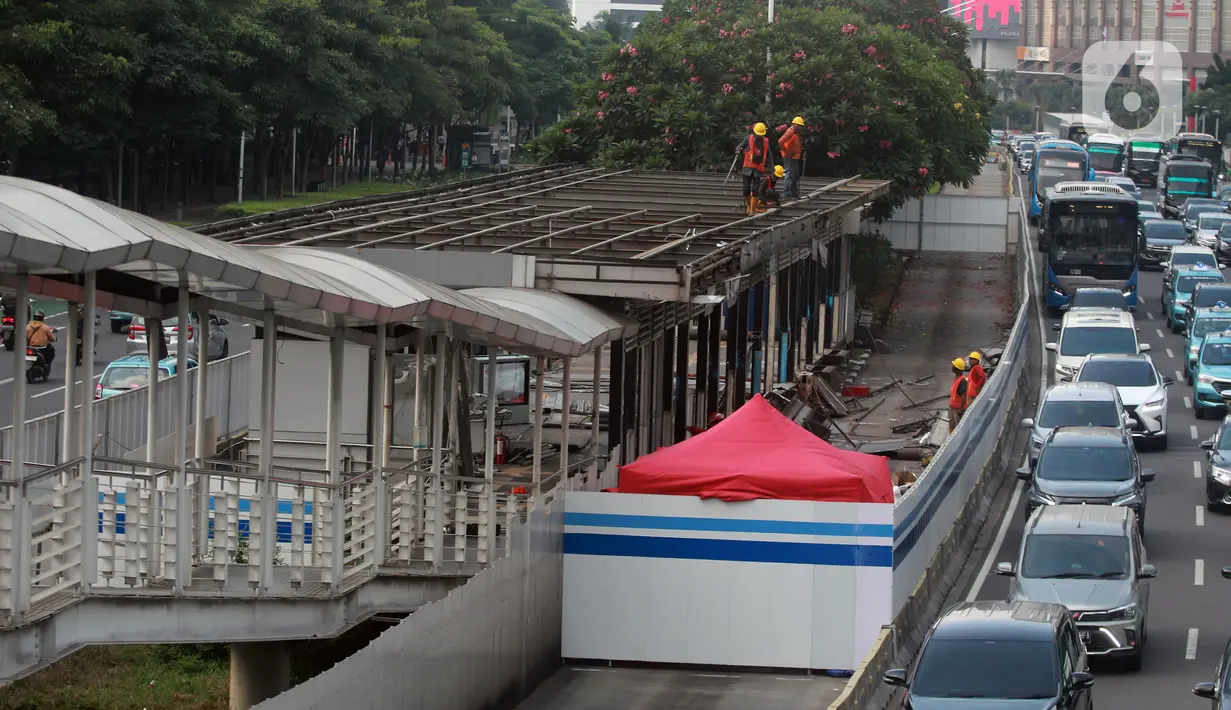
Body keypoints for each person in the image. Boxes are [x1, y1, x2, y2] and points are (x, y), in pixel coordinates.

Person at [737, 122, 774, 215]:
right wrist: (738, 149)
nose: (759, 136)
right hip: (747, 168)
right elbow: (740, 146)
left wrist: (772, 169)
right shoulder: (748, 138)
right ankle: (750, 205)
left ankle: (752, 210)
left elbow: (769, 156)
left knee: (755, 190)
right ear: (754, 132)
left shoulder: (766, 141)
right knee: (746, 190)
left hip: (758, 169)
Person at [778, 116, 805, 198]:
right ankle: (787, 193)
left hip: (794, 157)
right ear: (794, 124)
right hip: (790, 157)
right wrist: (786, 152)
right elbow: (780, 141)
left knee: (794, 175)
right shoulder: (790, 132)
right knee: (789, 174)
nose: (800, 127)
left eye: (801, 126)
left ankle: (793, 192)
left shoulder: (795, 133)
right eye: (799, 125)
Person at [948, 357, 969, 433]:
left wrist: (960, 410)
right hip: (952, 408)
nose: (952, 366)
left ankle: (958, 439)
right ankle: (950, 437)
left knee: (958, 428)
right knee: (951, 425)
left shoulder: (962, 381)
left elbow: (963, 396)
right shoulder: (957, 378)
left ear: (956, 368)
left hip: (957, 410)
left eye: (953, 365)